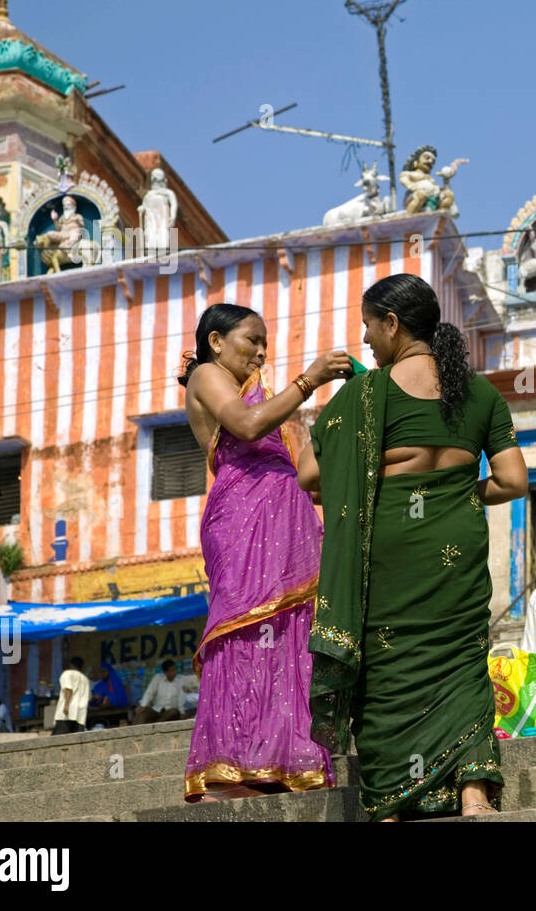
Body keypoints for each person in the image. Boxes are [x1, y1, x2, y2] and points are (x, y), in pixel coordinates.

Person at [300, 273, 529, 821]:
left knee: (387, 668)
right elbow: (514, 481)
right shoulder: (480, 392)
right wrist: (457, 495)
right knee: (460, 660)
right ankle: (473, 795)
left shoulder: (363, 394)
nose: (366, 343)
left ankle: (394, 802)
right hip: (457, 543)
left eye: (369, 328)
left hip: (390, 546)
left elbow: (311, 476)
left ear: (393, 324)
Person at [180, 302, 357, 802]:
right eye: (251, 340)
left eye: (264, 343)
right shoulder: (207, 376)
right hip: (242, 522)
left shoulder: (260, 389)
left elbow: (299, 464)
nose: (260, 351)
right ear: (216, 341)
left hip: (289, 524)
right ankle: (228, 768)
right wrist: (310, 379)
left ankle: (280, 764)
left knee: (289, 639)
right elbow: (248, 424)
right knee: (243, 636)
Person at [134, 660, 187, 724]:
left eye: (175, 669)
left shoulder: (181, 679)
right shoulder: (158, 678)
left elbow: (181, 697)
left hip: (170, 712)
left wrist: (182, 712)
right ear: (165, 672)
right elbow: (149, 692)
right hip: (157, 709)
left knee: (173, 712)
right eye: (172, 670)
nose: (174, 672)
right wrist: (143, 705)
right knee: (142, 712)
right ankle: (135, 730)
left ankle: (155, 725)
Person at [53, 657, 91, 735]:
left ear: (70, 664)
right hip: (80, 715)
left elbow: (68, 689)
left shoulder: (67, 674)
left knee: (59, 739)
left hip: (67, 713)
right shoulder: (85, 679)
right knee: (76, 740)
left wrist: (66, 705)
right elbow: (89, 697)